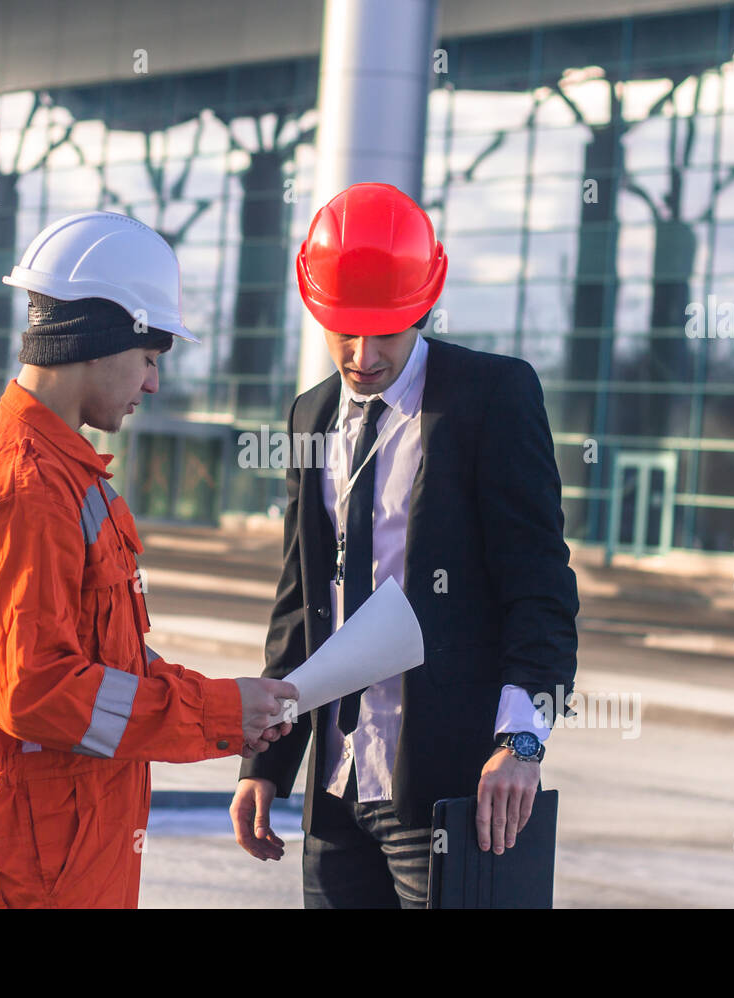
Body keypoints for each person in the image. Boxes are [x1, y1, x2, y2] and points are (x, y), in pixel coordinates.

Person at [0, 211, 296, 909]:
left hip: (68, 857)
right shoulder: (29, 489)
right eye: (150, 358)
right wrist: (220, 709)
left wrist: (232, 710)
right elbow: (36, 691)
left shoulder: (61, 474)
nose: (153, 383)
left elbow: (108, 668)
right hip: (34, 874)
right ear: (99, 340)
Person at [228, 182, 579, 908]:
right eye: (343, 331)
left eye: (383, 332)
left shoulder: (491, 398)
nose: (361, 355)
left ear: (423, 303)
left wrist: (522, 743)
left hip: (451, 790)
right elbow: (301, 605)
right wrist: (267, 760)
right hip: (335, 788)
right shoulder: (310, 414)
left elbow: (540, 586)